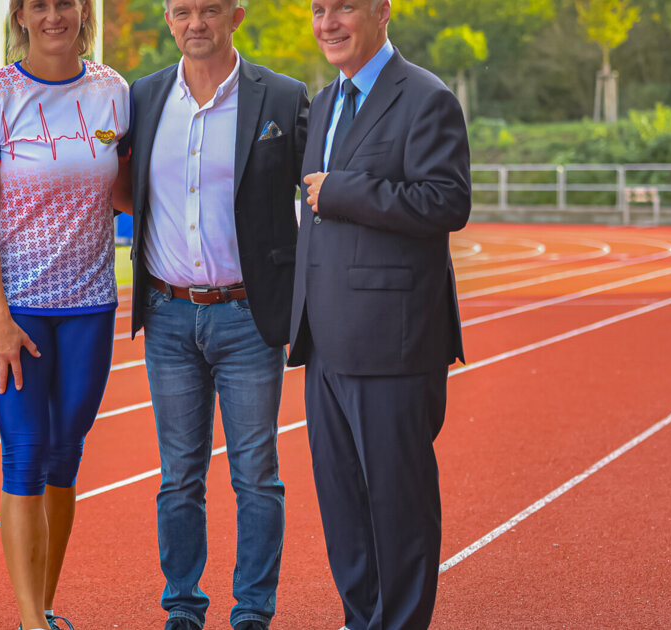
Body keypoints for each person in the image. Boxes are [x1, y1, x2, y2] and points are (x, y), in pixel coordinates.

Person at [112, 0, 308, 628]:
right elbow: (121, 184)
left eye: (210, 10)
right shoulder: (142, 97)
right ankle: (183, 606)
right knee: (179, 476)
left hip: (249, 316)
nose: (195, 22)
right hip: (168, 314)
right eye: (182, 11)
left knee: (256, 475)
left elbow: (317, 189)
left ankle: (252, 610)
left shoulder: (282, 97)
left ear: (236, 15)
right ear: (169, 19)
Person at [287, 0, 471, 628]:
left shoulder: (426, 98)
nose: (328, 23)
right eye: (319, 9)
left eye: (344, 7)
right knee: (342, 507)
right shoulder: (324, 102)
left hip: (392, 342)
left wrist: (343, 190)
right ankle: (359, 618)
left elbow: (447, 201)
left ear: (382, 11)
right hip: (323, 339)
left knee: (398, 505)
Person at [0, 1, 128, 628]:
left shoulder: (114, 91)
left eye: (65, 3)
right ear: (21, 16)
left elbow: (128, 187)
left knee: (65, 454)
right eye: (39, 5)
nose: (53, 15)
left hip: (91, 307)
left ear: (83, 12)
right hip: (19, 312)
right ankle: (30, 621)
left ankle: (47, 606)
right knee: (25, 454)